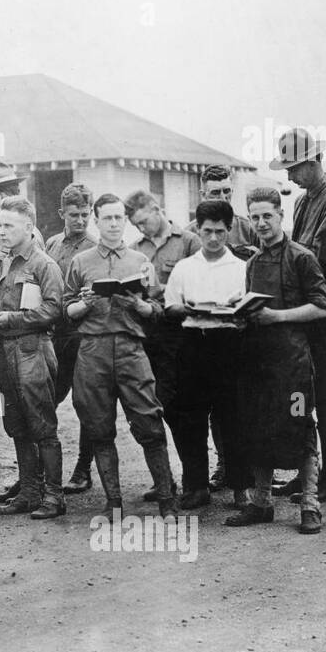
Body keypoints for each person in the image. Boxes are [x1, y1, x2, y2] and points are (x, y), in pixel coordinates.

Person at [225, 187, 326, 535]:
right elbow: (255, 308)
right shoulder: (253, 262)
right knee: (257, 428)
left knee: (301, 425)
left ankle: (310, 504)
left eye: (267, 216)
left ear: (280, 215)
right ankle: (261, 503)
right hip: (259, 365)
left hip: (296, 367)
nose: (261, 224)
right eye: (254, 217)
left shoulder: (302, 257)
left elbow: (322, 306)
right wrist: (241, 313)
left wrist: (278, 317)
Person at [61, 193, 177, 516]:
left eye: (118, 218)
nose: (113, 224)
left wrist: (141, 305)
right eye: (107, 218)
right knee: (99, 427)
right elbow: (66, 310)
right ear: (96, 221)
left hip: (130, 348)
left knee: (149, 422)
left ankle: (167, 500)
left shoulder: (140, 261)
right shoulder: (81, 262)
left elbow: (157, 308)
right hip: (93, 349)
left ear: (124, 221)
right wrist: (84, 304)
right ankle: (113, 502)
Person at [272, 128, 326, 503]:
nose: (289, 176)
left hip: (316, 310)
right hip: (298, 308)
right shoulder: (305, 201)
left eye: (294, 168)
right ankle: (308, 473)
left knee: (323, 394)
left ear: (313, 162)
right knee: (299, 394)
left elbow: (316, 263)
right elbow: (295, 249)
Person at [162, 200, 251, 512]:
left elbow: (250, 310)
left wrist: (238, 309)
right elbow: (170, 305)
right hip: (193, 343)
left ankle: (241, 487)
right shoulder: (186, 267)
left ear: (229, 231)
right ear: (197, 230)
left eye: (220, 232)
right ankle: (197, 486)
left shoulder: (242, 268)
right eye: (207, 231)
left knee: (234, 417)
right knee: (190, 419)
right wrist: (185, 308)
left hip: (228, 344)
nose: (213, 239)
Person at [0, 197, 66, 519]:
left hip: (33, 351)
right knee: (16, 424)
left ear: (28, 228)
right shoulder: (4, 262)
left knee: (42, 425)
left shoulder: (44, 265)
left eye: (8, 226)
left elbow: (54, 310)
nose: (0, 232)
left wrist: (14, 320)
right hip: (6, 352)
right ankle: (29, 493)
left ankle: (54, 497)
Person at [125, 189, 201, 500]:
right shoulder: (136, 250)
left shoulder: (188, 241)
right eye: (137, 225)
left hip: (185, 339)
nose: (142, 229)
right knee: (156, 411)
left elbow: (201, 282)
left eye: (144, 221)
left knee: (186, 414)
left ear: (157, 209)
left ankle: (197, 484)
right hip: (151, 340)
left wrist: (161, 290)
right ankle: (165, 481)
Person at [43, 182, 98, 497]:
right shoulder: (51, 244)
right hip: (55, 335)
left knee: (86, 404)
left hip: (82, 336)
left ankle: (82, 470)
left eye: (85, 214)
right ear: (61, 213)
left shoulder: (94, 247)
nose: (81, 220)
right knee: (46, 401)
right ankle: (37, 474)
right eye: (74, 214)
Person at [184, 165, 259, 252]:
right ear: (203, 195)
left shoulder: (248, 228)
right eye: (215, 192)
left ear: (232, 191)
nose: (223, 198)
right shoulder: (190, 233)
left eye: (226, 191)